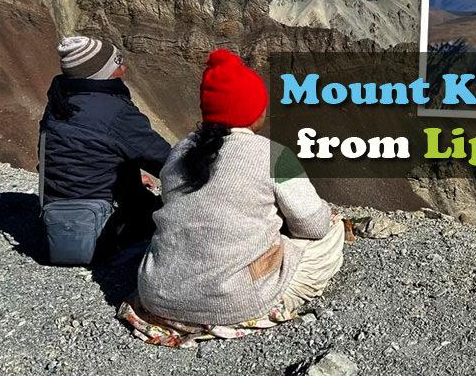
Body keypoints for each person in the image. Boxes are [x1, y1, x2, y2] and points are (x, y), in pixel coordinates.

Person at [119, 48, 344, 348]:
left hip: (156, 295)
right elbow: (312, 227)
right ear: (253, 112)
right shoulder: (272, 155)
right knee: (331, 231)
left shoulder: (179, 153)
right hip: (232, 302)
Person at [39, 36, 170, 265]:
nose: (124, 67)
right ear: (100, 72)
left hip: (55, 217)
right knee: (165, 216)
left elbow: (84, 153)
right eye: (117, 62)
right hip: (102, 231)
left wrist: (133, 174)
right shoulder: (114, 111)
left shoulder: (59, 103)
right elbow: (163, 159)